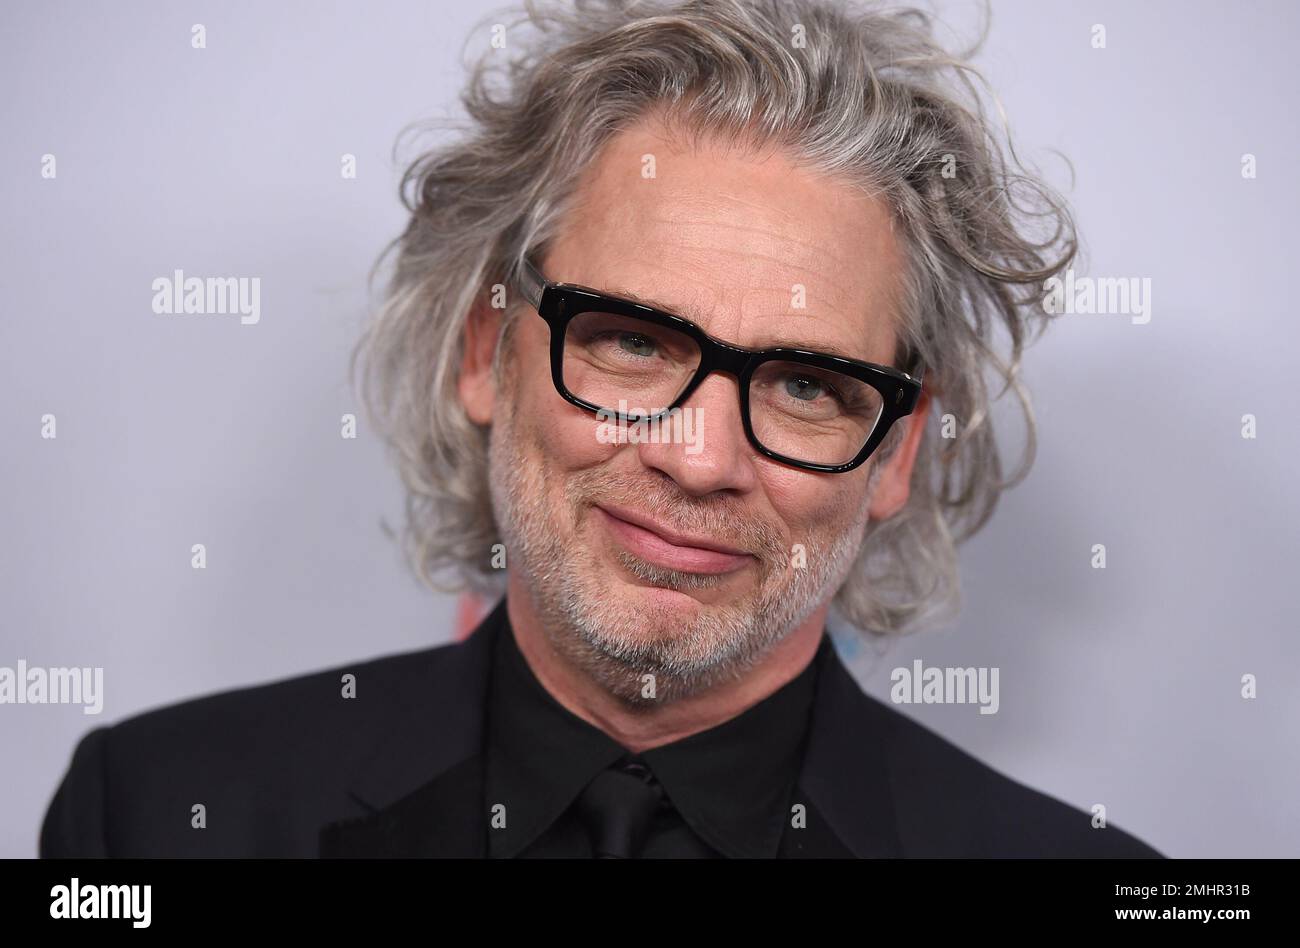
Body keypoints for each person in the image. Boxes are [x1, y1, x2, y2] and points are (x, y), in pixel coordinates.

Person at [41, 0, 1161, 858]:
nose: (700, 458)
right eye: (632, 342)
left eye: (808, 388)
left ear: (895, 456)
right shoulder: (152, 813)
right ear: (487, 352)